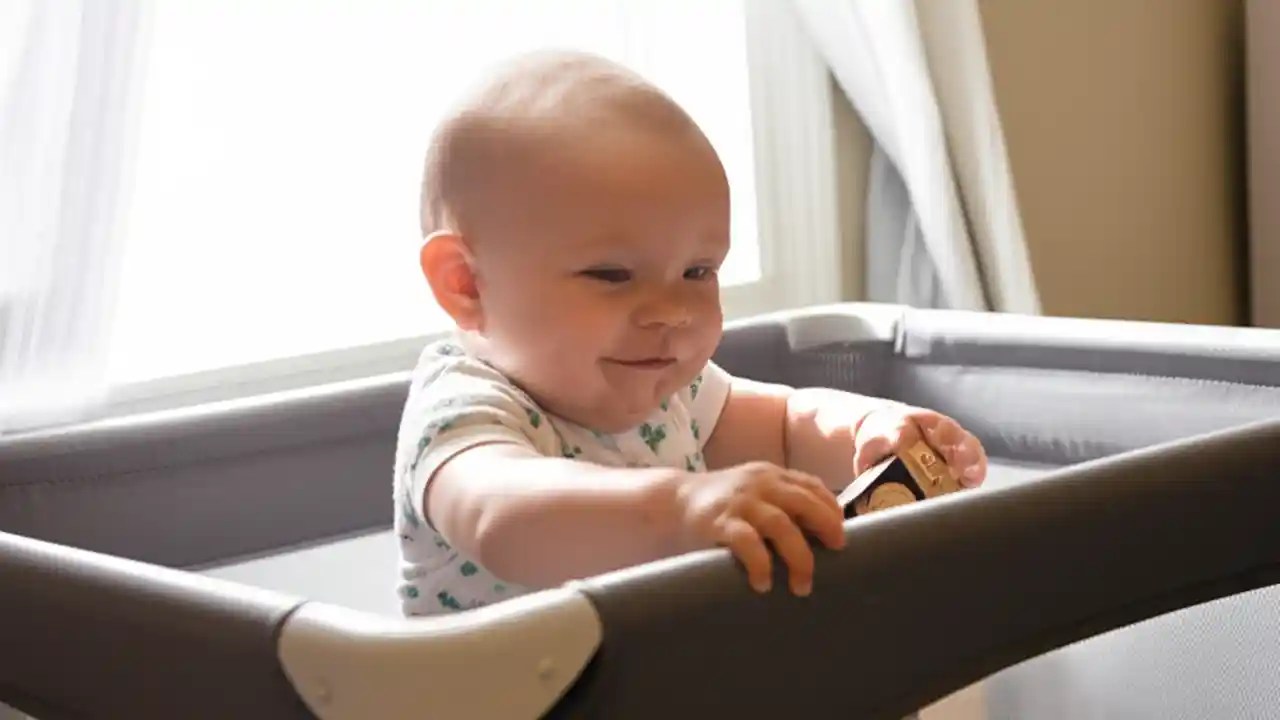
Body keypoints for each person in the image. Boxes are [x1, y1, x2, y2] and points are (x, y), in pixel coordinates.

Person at [394, 49, 987, 616]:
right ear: (467, 285)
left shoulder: (668, 392)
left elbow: (785, 427)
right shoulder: (465, 409)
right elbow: (501, 518)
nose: (673, 311)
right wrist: (680, 508)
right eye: (612, 274)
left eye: (697, 271)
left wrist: (865, 431)